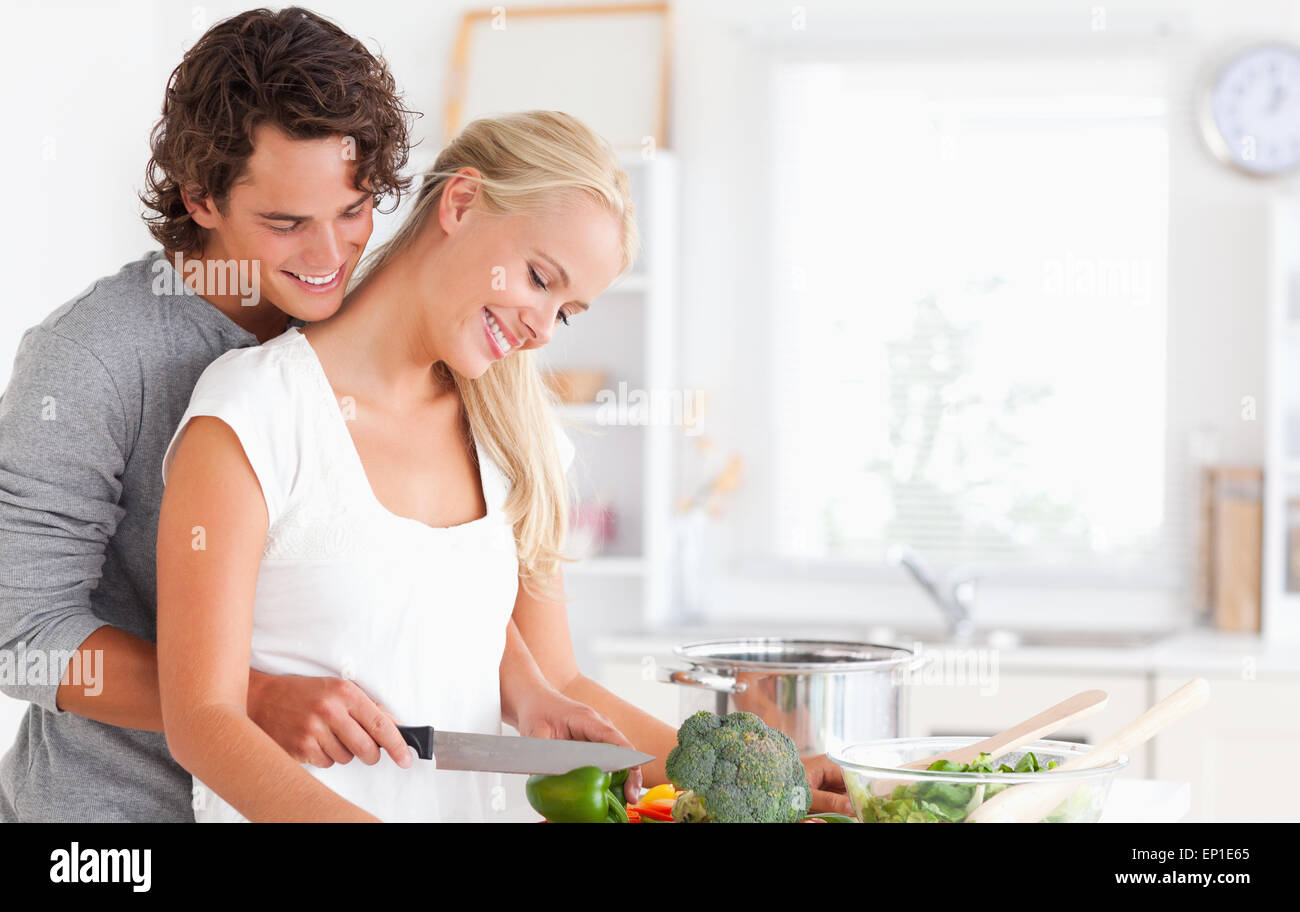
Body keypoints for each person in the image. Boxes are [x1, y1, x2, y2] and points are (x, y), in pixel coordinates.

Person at [0, 7, 628, 823]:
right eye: (286, 223)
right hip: (112, 816)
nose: (332, 259)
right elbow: (22, 635)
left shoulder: (356, 325)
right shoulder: (93, 357)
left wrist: (522, 681)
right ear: (201, 198)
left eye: (355, 211)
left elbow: (384, 565)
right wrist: (243, 698)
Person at [157, 108, 853, 821]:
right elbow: (203, 722)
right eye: (538, 278)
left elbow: (560, 684)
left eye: (568, 311)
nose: (543, 327)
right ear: (460, 203)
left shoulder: (514, 440)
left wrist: (759, 784)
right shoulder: (257, 410)